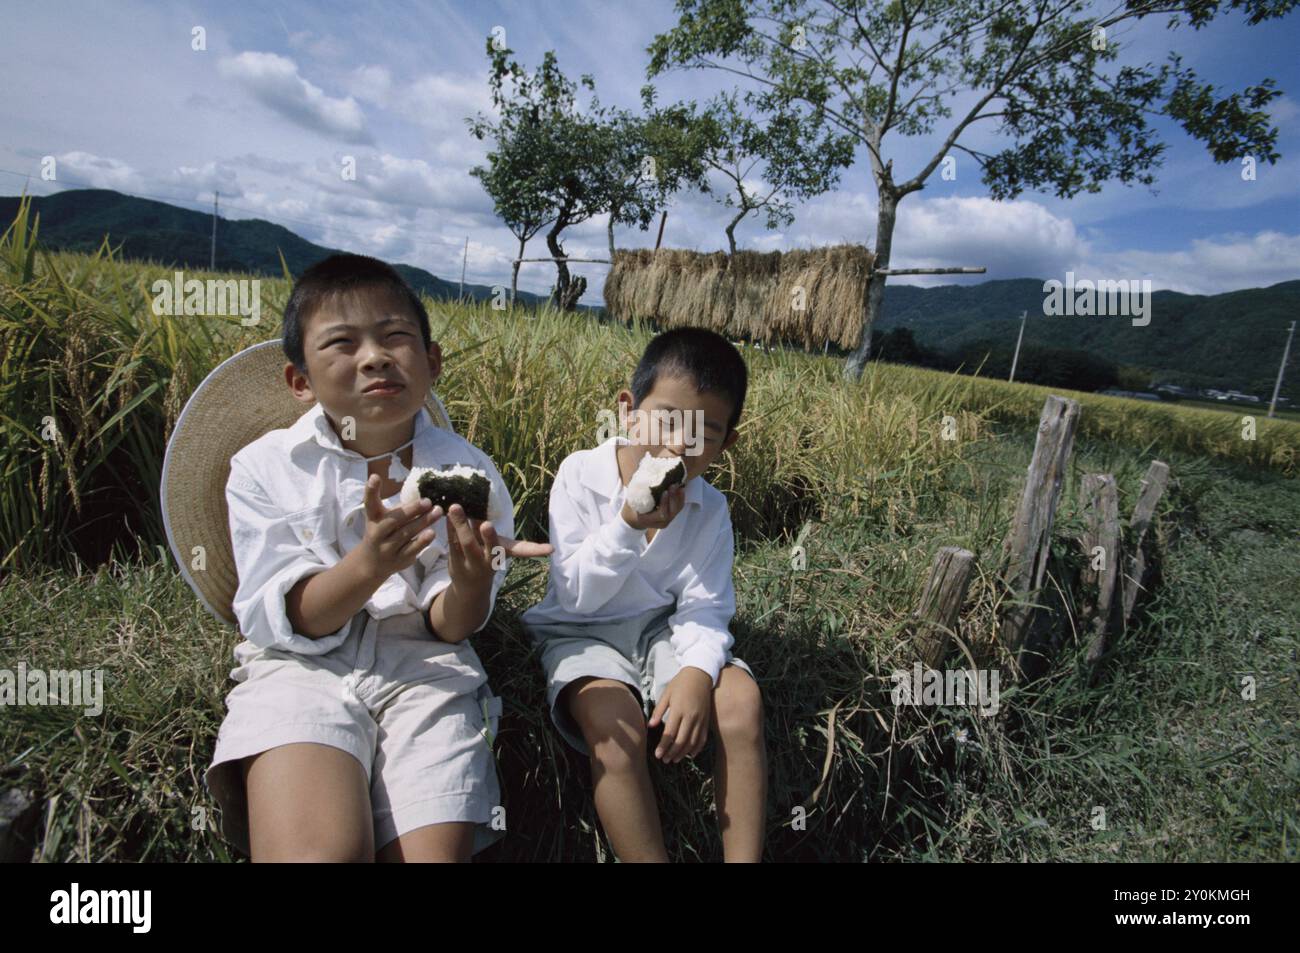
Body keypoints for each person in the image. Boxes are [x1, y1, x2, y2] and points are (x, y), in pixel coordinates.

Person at [204, 253, 551, 862]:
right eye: (342, 343)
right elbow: (293, 617)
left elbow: (451, 625)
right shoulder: (263, 468)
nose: (375, 357)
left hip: (426, 670)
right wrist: (369, 565)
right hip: (300, 670)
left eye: (396, 337)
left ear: (431, 362)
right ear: (300, 381)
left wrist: (470, 581)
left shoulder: (468, 472)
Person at [521, 326, 767, 862]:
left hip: (660, 629)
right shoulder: (579, 476)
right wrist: (629, 524)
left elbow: (705, 607)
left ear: (727, 443)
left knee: (740, 703)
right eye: (669, 419)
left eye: (706, 433)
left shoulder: (711, 509)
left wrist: (698, 673)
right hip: (579, 630)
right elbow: (577, 595)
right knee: (616, 724)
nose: (680, 445)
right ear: (629, 410)